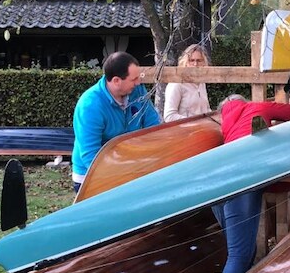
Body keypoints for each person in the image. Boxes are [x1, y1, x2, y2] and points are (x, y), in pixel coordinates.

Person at [212, 94, 290, 273]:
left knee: (243, 250)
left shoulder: (227, 124)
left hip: (217, 183)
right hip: (243, 179)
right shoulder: (256, 106)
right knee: (239, 255)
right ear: (243, 101)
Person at [71, 51, 161, 192]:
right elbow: (90, 155)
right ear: (116, 81)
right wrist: (120, 177)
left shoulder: (138, 91)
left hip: (130, 170)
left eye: (139, 77)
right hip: (91, 177)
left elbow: (154, 127)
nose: (138, 82)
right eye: (133, 79)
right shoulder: (90, 105)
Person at [163, 44, 212, 122]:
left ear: (204, 63)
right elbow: (169, 116)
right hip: (184, 131)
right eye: (191, 60)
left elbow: (206, 109)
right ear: (185, 62)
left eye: (199, 60)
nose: (195, 64)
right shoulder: (176, 83)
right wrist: (195, 121)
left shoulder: (201, 82)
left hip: (202, 130)